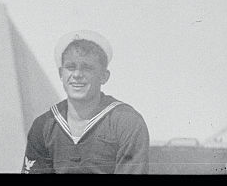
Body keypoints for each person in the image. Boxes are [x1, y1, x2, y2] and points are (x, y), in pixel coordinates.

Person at [22, 30, 149, 174]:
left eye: (87, 68)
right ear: (61, 74)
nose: (77, 75)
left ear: (104, 76)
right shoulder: (44, 125)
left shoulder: (127, 122)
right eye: (70, 67)